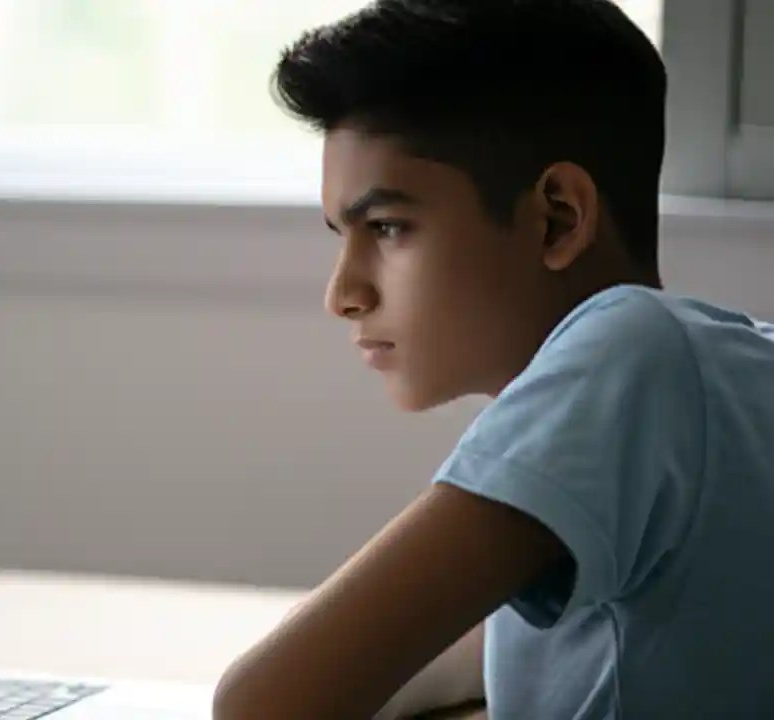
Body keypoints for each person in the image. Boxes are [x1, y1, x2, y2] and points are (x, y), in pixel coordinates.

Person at [212, 1, 774, 718]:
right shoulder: (715, 376)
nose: (343, 294)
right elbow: (475, 660)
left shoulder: (630, 353)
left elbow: (260, 704)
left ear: (558, 218)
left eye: (387, 227)